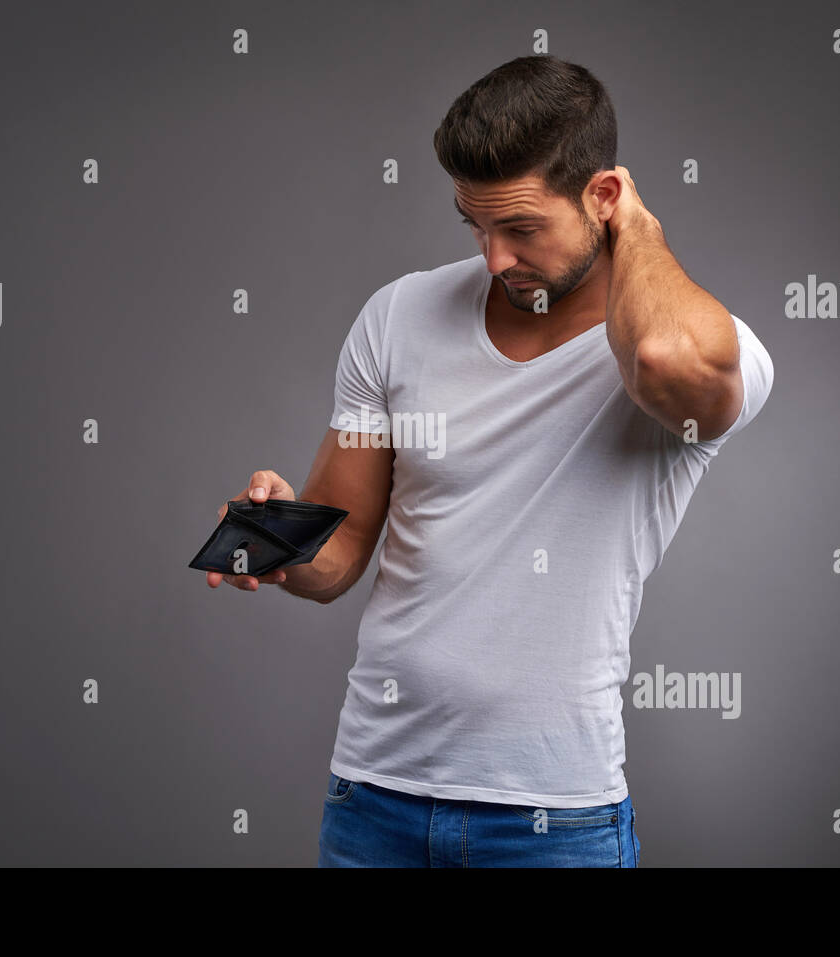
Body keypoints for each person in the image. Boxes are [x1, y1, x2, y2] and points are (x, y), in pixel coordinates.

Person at [206, 55, 774, 867]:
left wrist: (638, 230)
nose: (495, 257)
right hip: (373, 798)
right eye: (475, 225)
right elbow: (337, 555)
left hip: (554, 821)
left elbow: (661, 359)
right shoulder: (397, 317)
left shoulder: (696, 344)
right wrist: (276, 535)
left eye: (521, 227)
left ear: (604, 196)